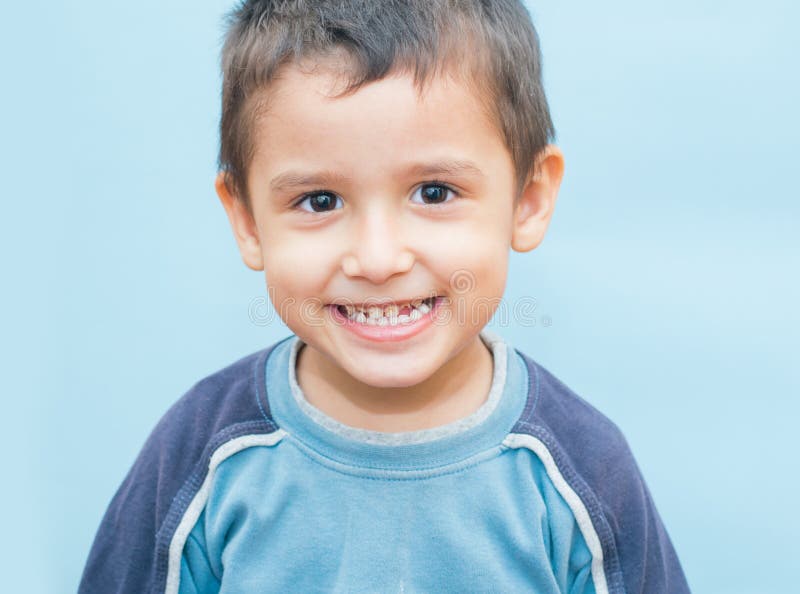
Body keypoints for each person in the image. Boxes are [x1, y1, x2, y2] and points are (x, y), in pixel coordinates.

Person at [79, 1, 690, 592]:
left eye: (434, 192)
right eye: (320, 201)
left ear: (528, 200)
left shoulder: (581, 473)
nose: (377, 260)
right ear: (247, 221)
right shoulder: (201, 456)